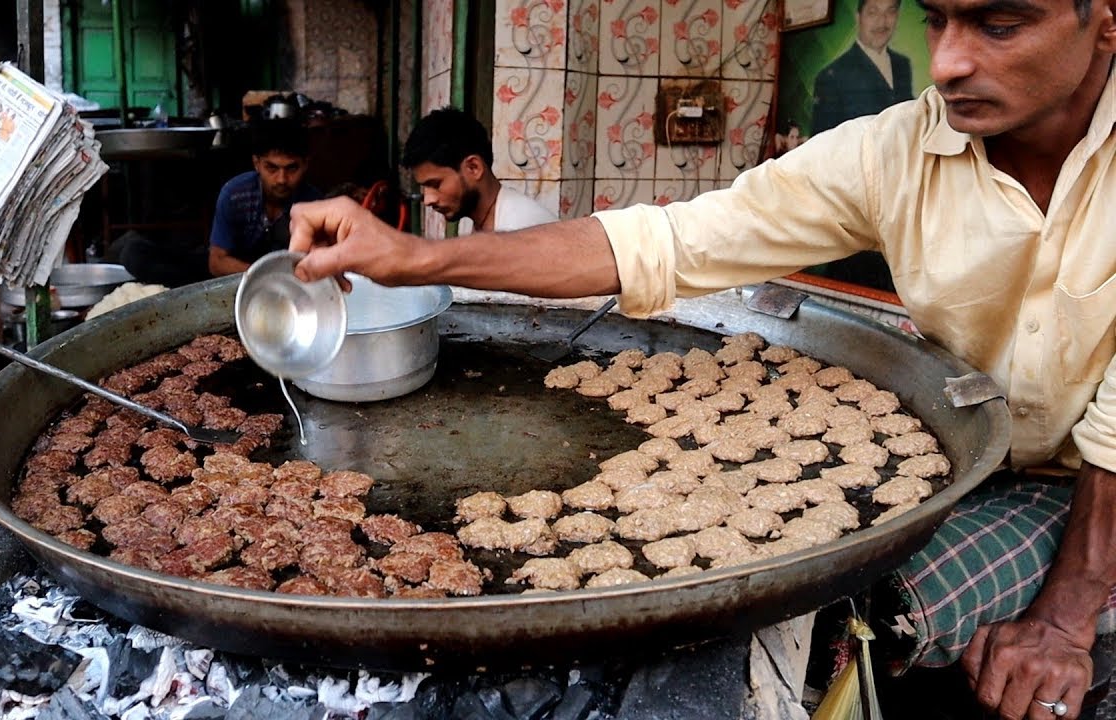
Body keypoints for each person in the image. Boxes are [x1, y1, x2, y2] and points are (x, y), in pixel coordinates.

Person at [289, 0, 1116, 716]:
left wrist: (1064, 618)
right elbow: (672, 241)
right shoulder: (893, 153)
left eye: (998, 24)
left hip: (1086, 484)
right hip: (975, 446)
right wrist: (419, 257)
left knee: (882, 610)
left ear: (1104, 21)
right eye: (935, 19)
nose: (946, 62)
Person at [403, 107, 557, 233]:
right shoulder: (473, 217)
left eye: (436, 184)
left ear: (474, 167)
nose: (428, 200)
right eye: (424, 187)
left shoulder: (522, 228)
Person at [207, 118, 323, 277]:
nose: (281, 179)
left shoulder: (314, 204)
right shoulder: (234, 195)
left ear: (305, 165)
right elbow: (217, 262)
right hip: (241, 282)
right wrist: (267, 276)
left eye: (291, 168)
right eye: (271, 168)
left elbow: (317, 262)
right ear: (256, 163)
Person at [811, 0, 914, 135]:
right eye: (872, 12)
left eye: (890, 11)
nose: (882, 22)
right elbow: (823, 142)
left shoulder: (902, 64)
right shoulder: (832, 77)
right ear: (858, 17)